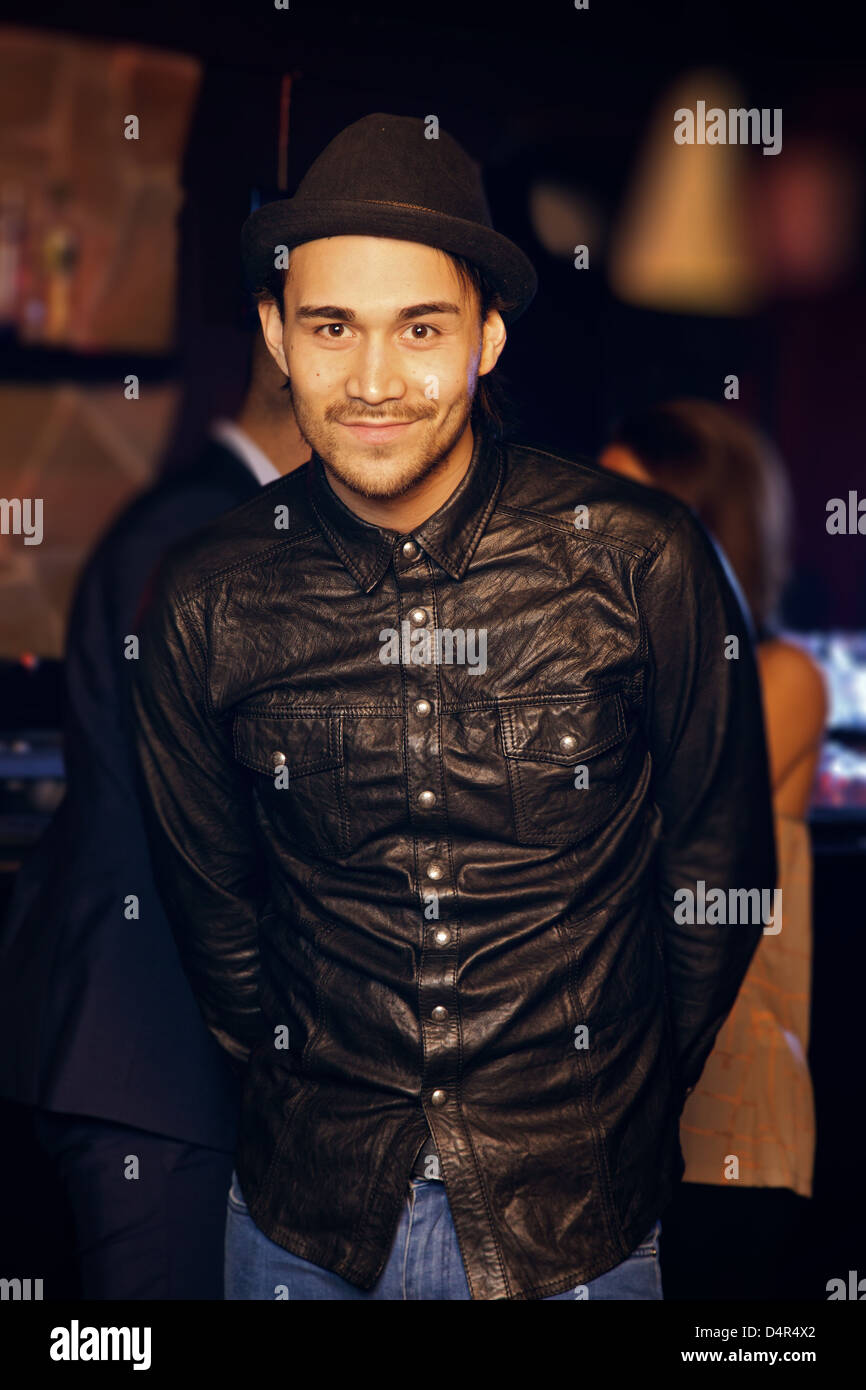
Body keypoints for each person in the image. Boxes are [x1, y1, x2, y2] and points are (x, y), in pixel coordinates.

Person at [130, 113, 776, 1302]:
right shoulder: (208, 595)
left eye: (417, 327)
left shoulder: (641, 561)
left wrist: (604, 1102)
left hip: (578, 1224)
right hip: (303, 1221)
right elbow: (215, 921)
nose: (372, 380)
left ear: (484, 337)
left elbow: (717, 878)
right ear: (276, 336)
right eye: (331, 327)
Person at [0, 329, 309, 1299]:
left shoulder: (211, 516)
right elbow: (211, 797)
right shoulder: (204, 530)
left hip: (144, 1037)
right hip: (151, 1042)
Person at [601, 399, 826, 1298]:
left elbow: (660, 824)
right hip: (612, 1126)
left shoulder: (785, 679)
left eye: (622, 503)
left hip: (729, 1118)